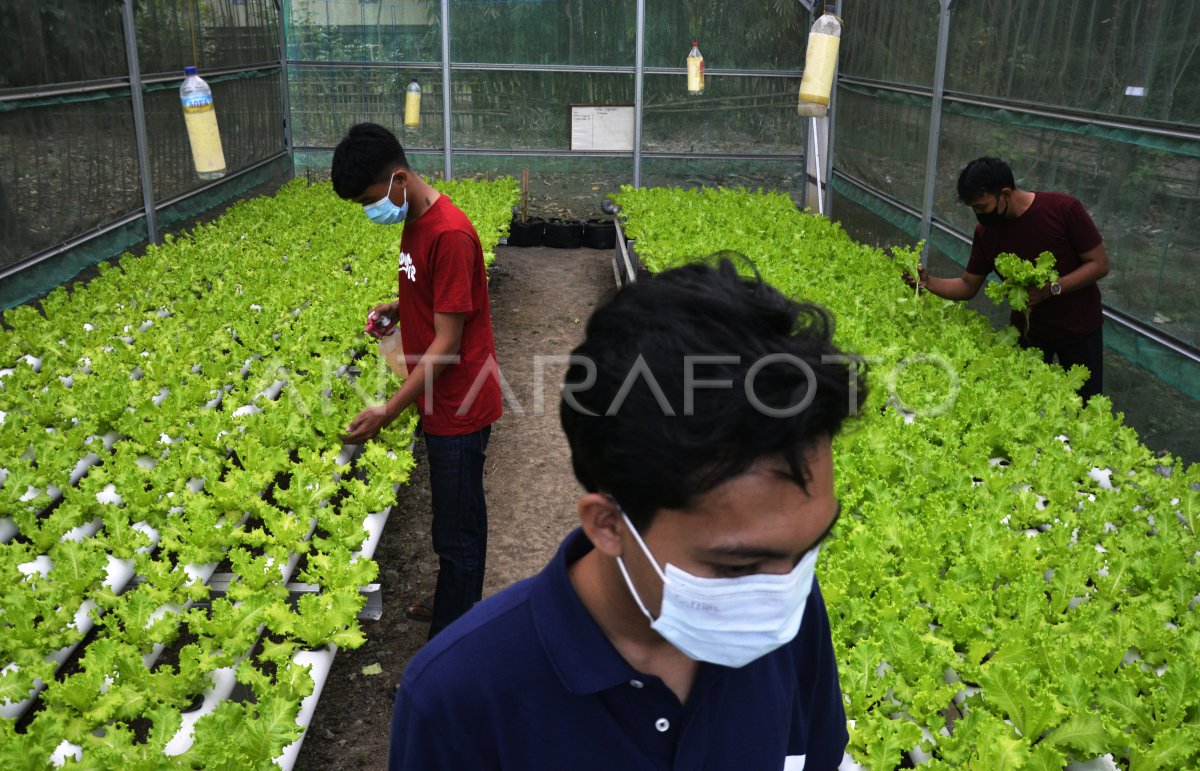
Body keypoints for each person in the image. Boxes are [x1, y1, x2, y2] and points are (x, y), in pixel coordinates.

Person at [389, 258, 863, 769]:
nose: (782, 588)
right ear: (608, 525)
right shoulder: (458, 701)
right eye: (736, 567)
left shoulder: (789, 610)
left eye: (810, 546)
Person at [331, 122, 502, 639]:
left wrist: (387, 410)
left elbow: (448, 347)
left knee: (459, 530)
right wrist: (399, 307)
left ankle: (454, 641)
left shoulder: (448, 233)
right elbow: (436, 299)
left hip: (459, 404)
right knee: (449, 518)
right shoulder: (418, 218)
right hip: (439, 400)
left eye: (368, 199)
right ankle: (453, 595)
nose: (369, 210)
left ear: (399, 180)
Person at [912, 157, 1109, 401]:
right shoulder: (986, 232)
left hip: (1079, 330)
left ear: (1005, 194)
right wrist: (929, 283)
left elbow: (1099, 264)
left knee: (1085, 407)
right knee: (1025, 402)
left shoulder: (1062, 209)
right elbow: (967, 285)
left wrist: (1052, 289)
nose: (979, 215)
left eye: (982, 207)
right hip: (1029, 333)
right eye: (973, 209)